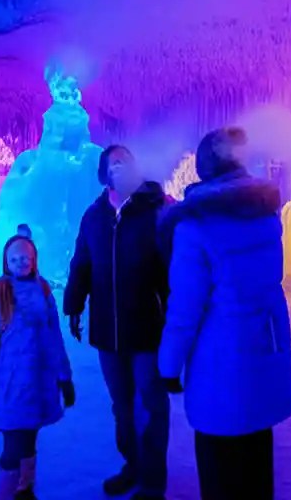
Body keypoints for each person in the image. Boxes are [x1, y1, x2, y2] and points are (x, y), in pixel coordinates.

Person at [158, 128, 291, 500]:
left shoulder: (195, 227)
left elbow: (184, 310)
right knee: (256, 462)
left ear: (204, 169)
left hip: (218, 363)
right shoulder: (265, 215)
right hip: (263, 351)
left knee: (220, 468)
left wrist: (168, 367)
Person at [63, 145, 172, 499]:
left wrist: (175, 316)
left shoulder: (155, 212)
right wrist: (75, 304)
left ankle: (153, 481)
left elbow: (171, 270)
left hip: (146, 328)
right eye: (115, 163)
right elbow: (82, 262)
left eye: (128, 160)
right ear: (104, 174)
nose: (122, 167)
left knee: (151, 403)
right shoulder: (94, 216)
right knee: (122, 404)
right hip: (107, 330)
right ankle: (133, 466)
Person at [0, 228, 76, 500]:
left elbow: (54, 338)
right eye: (15, 259)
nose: (21, 263)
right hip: (10, 387)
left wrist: (64, 378)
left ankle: (24, 489)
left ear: (34, 260)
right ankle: (3, 494)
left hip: (39, 386)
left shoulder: (42, 290)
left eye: (26, 258)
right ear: (7, 261)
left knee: (29, 440)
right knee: (13, 448)